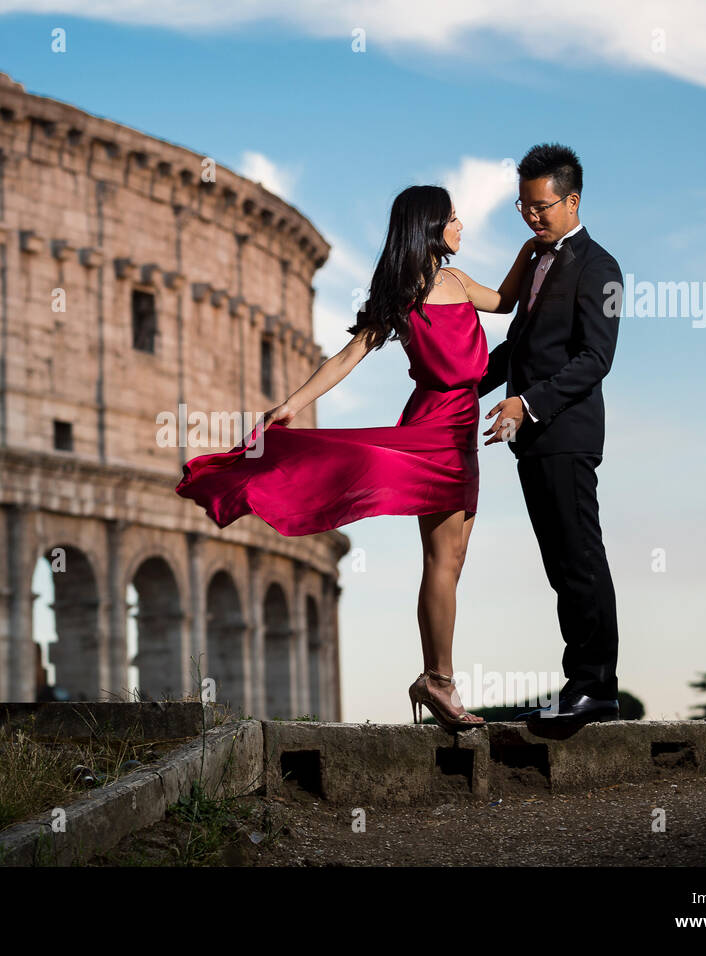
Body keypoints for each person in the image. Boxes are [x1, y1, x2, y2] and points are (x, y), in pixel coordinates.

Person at [175, 184, 533, 731]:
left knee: (454, 558)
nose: (462, 227)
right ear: (431, 225)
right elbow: (348, 356)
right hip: (431, 425)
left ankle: (430, 678)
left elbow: (505, 302)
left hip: (464, 428)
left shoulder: (458, 279)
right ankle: (440, 681)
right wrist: (292, 404)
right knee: (440, 559)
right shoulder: (403, 290)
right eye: (454, 219)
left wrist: (531, 251)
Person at [479, 143, 624, 726]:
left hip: (568, 434)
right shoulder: (537, 260)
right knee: (560, 566)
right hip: (533, 440)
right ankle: (581, 685)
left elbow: (596, 358)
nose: (531, 216)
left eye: (541, 206)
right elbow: (520, 346)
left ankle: (596, 688)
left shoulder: (601, 267)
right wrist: (464, 386)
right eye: (523, 206)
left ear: (572, 200)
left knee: (580, 558)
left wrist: (526, 403)